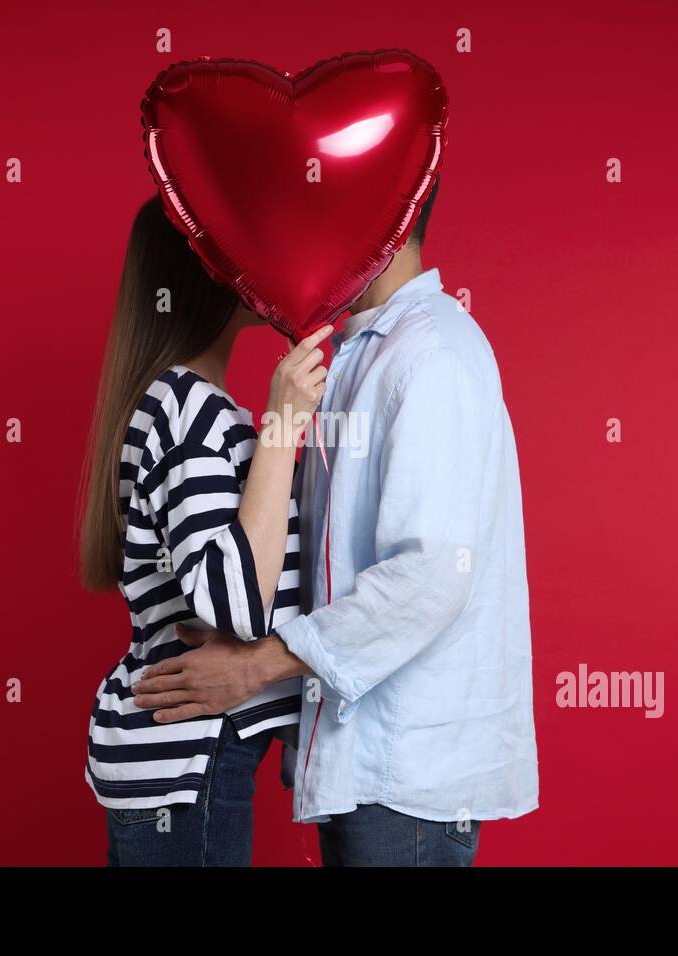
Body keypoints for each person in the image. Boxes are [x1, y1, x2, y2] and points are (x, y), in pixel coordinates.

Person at [133, 181, 540, 866]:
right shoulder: (360, 355)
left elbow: (431, 575)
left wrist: (257, 667)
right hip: (364, 767)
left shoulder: (430, 355)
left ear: (386, 218)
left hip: (404, 775)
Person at [78, 197, 332, 866]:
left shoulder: (194, 407)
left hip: (188, 768)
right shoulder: (185, 409)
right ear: (201, 276)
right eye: (229, 251)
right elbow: (237, 607)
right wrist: (283, 425)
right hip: (186, 767)